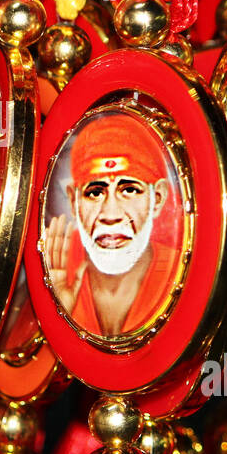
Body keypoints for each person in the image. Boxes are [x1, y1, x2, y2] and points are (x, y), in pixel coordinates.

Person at [43, 113, 178, 338]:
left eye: (129, 190)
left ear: (158, 199)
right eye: (95, 192)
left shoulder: (182, 274)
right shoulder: (54, 265)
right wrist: (57, 314)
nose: (111, 214)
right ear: (74, 201)